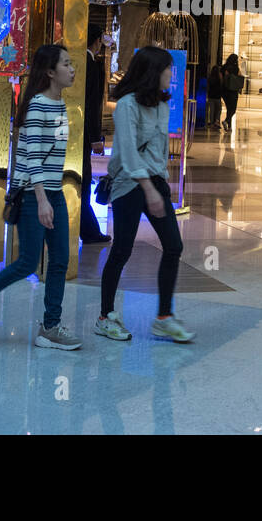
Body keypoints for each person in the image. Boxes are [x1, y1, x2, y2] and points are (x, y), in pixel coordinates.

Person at [0, 43, 82, 350]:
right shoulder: (39, 104)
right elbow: (33, 157)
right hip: (34, 194)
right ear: (51, 72)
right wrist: (41, 200)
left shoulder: (60, 104)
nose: (72, 69)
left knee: (60, 260)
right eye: (66, 64)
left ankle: (50, 327)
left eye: (71, 64)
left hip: (52, 192)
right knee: (28, 262)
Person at [94, 46, 194, 343]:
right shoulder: (126, 105)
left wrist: (160, 185)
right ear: (153, 72)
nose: (170, 75)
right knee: (122, 250)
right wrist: (148, 189)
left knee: (174, 246)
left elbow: (159, 152)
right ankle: (105, 316)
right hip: (129, 183)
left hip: (154, 182)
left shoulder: (162, 106)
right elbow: (126, 153)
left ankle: (164, 317)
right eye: (167, 69)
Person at [81, 24, 111, 244]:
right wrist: (94, 137)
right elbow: (91, 104)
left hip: (72, 130)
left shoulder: (78, 61)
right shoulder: (90, 65)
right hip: (82, 133)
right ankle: (88, 230)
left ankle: (88, 229)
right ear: (97, 40)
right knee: (83, 179)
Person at [221, 54, 244, 131]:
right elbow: (239, 78)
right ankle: (226, 121)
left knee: (229, 108)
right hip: (233, 91)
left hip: (224, 91)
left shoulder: (224, 67)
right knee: (232, 109)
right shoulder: (236, 68)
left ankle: (229, 125)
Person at [205, 60, 223, 129]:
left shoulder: (210, 78)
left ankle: (211, 122)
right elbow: (221, 86)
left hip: (211, 96)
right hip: (217, 97)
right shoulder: (219, 78)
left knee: (211, 110)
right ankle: (217, 121)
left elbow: (208, 87)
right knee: (218, 109)